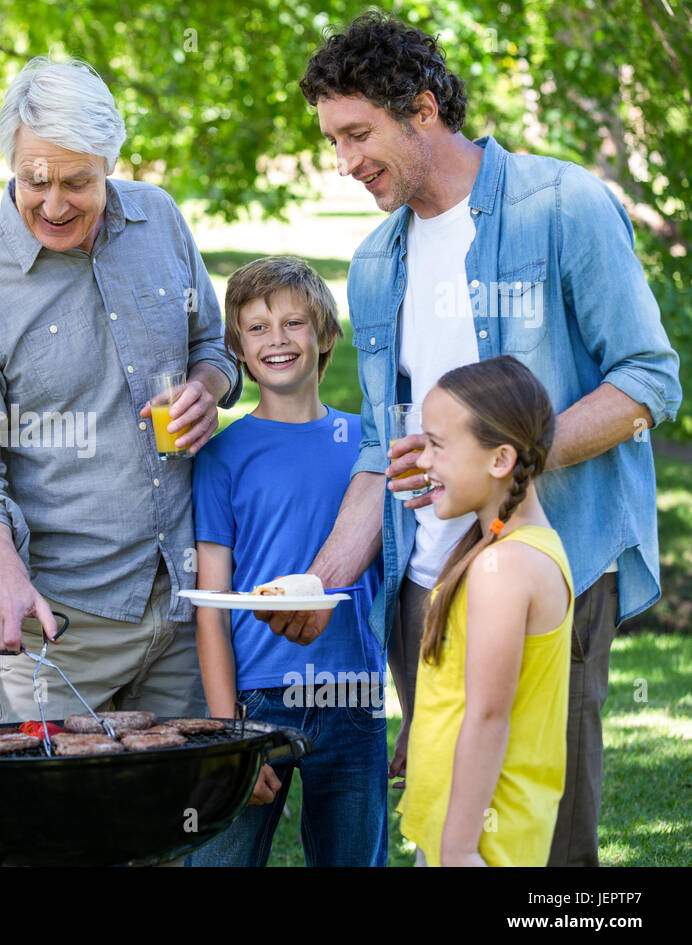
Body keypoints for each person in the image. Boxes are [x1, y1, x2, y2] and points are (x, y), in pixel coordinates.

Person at [264, 12, 681, 866]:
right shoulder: (378, 262)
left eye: (356, 135)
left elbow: (648, 380)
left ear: (421, 109)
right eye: (333, 142)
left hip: (542, 569)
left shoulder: (562, 205)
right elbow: (388, 450)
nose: (345, 162)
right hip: (425, 589)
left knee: (548, 843)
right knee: (447, 825)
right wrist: (325, 578)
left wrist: (507, 459)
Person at [0, 56, 242, 723]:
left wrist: (205, 389)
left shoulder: (159, 220)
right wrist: (2, 573)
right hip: (63, 622)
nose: (53, 203)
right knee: (56, 822)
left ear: (109, 162)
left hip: (189, 602)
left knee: (183, 814)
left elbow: (213, 347)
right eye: (33, 180)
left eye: (78, 181)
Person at [186, 257, 386, 867]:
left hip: (354, 696)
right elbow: (211, 609)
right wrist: (228, 737)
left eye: (294, 323)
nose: (277, 339)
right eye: (257, 328)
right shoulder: (220, 456)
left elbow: (401, 586)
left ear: (326, 336)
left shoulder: (369, 447)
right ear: (237, 351)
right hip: (256, 704)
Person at [401, 355, 572, 866]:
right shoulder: (502, 549)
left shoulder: (507, 567)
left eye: (437, 445)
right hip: (463, 833)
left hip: (482, 846)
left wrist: (457, 850)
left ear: (500, 461)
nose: (423, 461)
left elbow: (489, 717)